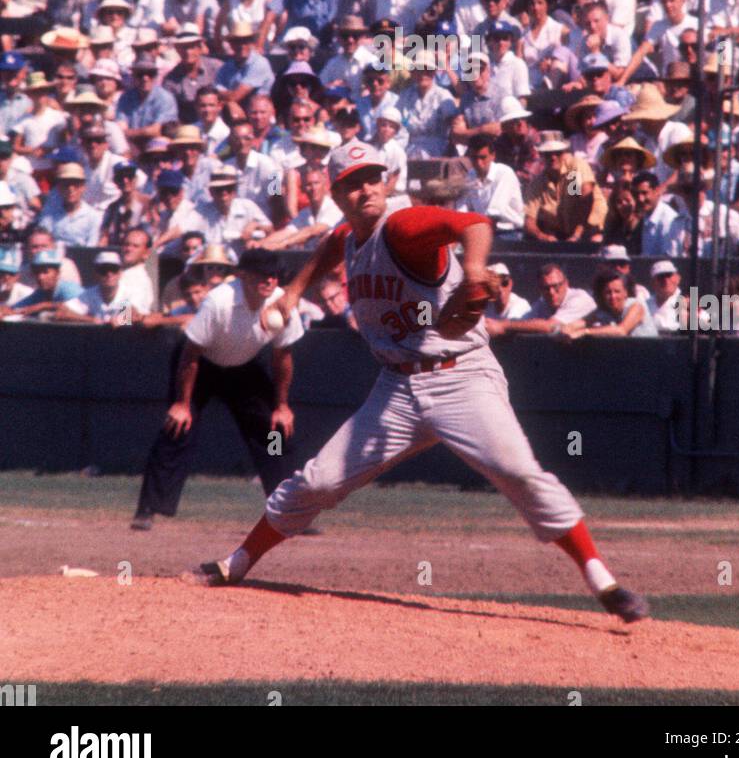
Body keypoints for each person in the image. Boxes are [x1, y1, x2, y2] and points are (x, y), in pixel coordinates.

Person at [190, 140, 648, 624]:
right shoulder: (350, 235)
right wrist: (295, 291)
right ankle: (237, 562)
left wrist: (472, 269)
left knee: (519, 473)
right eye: (351, 184)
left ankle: (602, 578)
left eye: (372, 178)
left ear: (387, 181)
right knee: (317, 480)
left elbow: (475, 223)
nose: (365, 189)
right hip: (398, 390)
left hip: (462, 377)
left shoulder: (404, 225)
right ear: (337, 193)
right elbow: (332, 245)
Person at [131, 248, 303, 530]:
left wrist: (281, 406)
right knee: (177, 429)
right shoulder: (219, 301)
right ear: (243, 276)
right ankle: (148, 509)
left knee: (274, 435)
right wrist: (183, 403)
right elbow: (190, 354)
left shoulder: (282, 304)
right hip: (200, 365)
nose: (270, 281)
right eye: (262, 275)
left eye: (274, 276)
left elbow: (282, 356)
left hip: (244, 367)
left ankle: (288, 508)